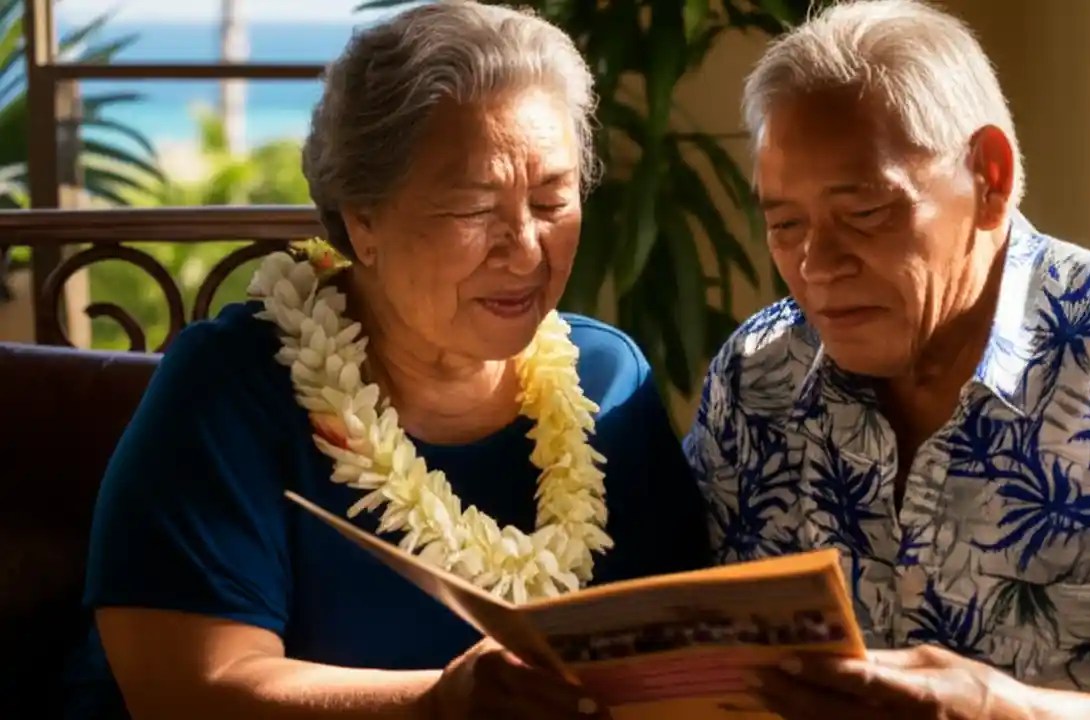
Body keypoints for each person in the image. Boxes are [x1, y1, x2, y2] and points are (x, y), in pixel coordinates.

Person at [65, 3, 709, 718]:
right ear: (361, 217)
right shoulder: (229, 389)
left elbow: (689, 643)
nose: (527, 250)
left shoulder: (607, 382)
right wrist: (437, 704)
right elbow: (188, 690)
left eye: (553, 200)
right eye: (473, 210)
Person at [684, 0, 1090, 717]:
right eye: (784, 224)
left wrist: (1015, 710)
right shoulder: (757, 378)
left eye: (865, 212)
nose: (817, 264)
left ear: (990, 177)